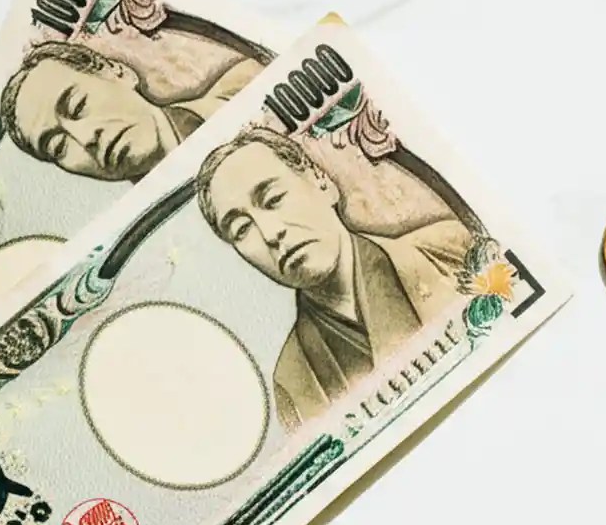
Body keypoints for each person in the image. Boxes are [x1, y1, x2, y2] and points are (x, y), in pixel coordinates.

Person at [196, 126, 472, 431]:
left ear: (321, 182)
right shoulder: (292, 382)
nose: (271, 233)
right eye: (241, 230)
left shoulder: (449, 249)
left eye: (273, 199)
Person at [0, 41, 259, 182]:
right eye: (58, 146)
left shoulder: (252, 87)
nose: (86, 137)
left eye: (78, 106)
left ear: (117, 72)